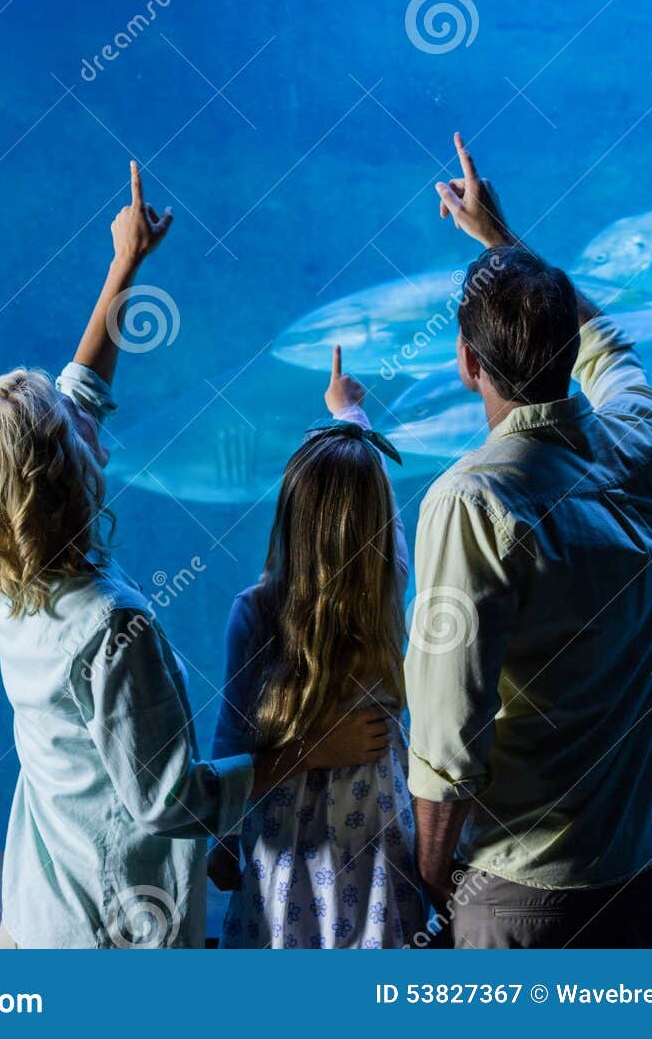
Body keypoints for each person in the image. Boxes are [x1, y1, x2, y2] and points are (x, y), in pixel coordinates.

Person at [0, 163, 388, 950]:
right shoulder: (115, 632)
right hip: (118, 940)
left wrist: (123, 268)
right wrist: (305, 751)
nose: (90, 419)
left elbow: (77, 397)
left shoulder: (0, 578)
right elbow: (172, 803)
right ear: (73, 476)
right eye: (75, 428)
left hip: (40, 914)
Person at [406, 133, 652, 949]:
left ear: (466, 363)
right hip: (647, 878)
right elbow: (614, 351)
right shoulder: (647, 448)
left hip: (524, 894)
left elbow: (448, 727)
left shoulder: (472, 500)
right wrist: (504, 243)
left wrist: (430, 877)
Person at [208, 346, 424, 948]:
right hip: (379, 860)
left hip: (285, 866)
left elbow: (231, 742)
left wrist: (223, 843)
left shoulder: (254, 612)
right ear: (378, 525)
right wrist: (350, 413)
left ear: (290, 514)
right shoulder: (389, 590)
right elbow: (387, 511)